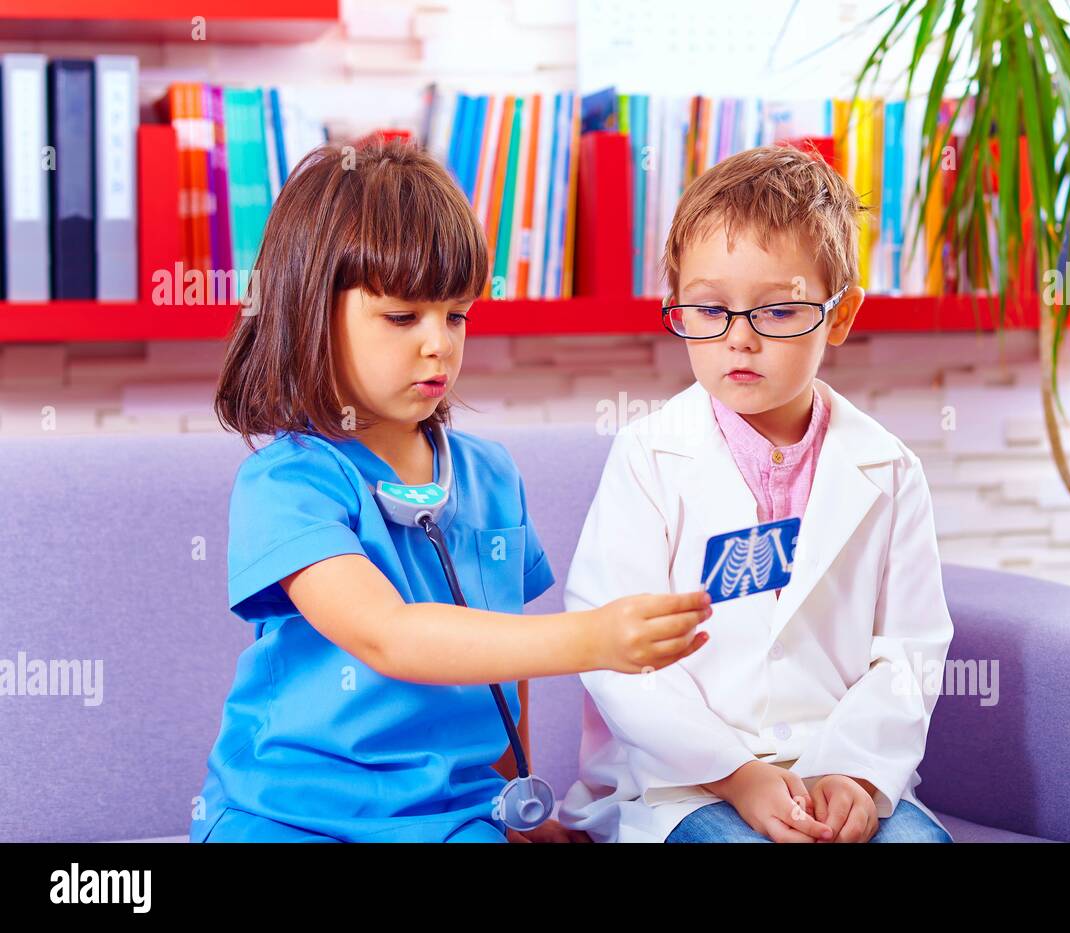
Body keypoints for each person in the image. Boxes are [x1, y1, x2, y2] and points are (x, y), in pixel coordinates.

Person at [191, 139, 711, 843]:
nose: (438, 343)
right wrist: (593, 637)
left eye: (457, 314)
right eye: (403, 317)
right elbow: (388, 635)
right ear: (311, 311)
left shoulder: (491, 476)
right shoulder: (287, 483)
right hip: (288, 814)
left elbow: (506, 654)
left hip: (447, 817)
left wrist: (509, 795)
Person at [558, 145, 955, 843]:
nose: (738, 340)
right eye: (710, 308)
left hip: (836, 770)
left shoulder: (889, 470)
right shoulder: (649, 458)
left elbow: (910, 652)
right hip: (688, 780)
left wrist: (856, 774)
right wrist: (737, 773)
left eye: (777, 312)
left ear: (840, 316)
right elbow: (615, 652)